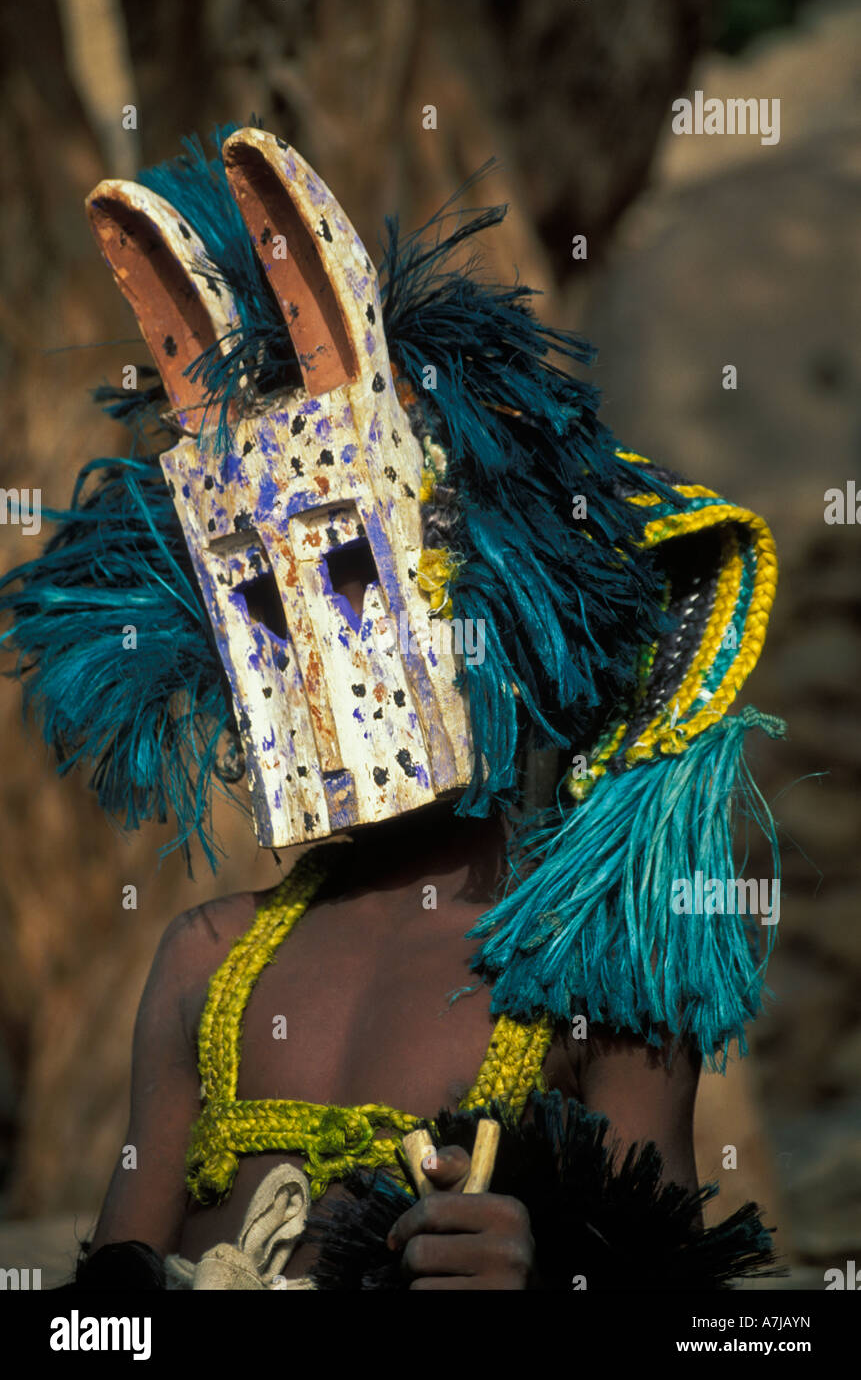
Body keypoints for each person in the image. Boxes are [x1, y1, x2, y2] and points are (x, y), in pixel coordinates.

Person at [0, 126, 784, 1290]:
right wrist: (115, 1302)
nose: (309, 664)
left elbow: (695, 1304)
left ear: (508, 592)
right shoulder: (204, 965)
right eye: (259, 600)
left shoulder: (592, 970)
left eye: (357, 576)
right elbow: (101, 1305)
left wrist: (554, 1267)